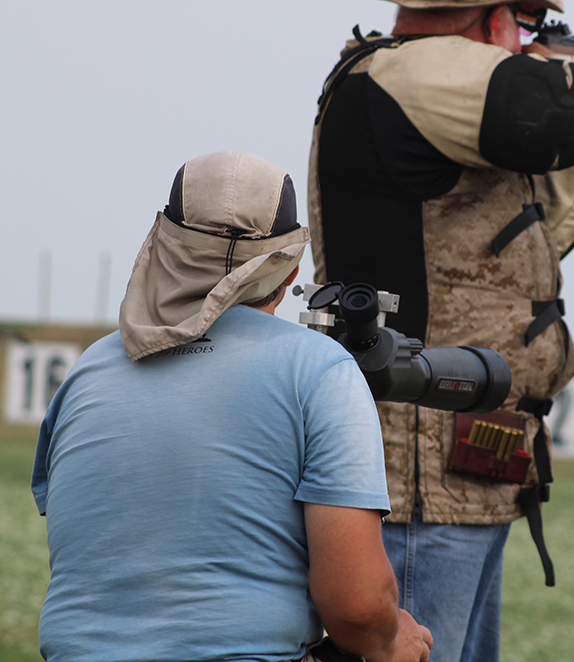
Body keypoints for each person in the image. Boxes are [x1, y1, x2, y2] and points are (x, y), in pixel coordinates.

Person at [307, 0, 574, 661]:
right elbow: (552, 110)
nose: (525, 43)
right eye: (523, 25)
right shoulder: (410, 71)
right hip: (419, 472)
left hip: (464, 468)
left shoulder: (419, 91)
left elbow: (518, 245)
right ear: (495, 16)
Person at [31, 150, 432, 662]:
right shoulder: (321, 370)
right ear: (288, 272)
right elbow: (356, 607)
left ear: (163, 248)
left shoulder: (89, 370)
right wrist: (394, 641)